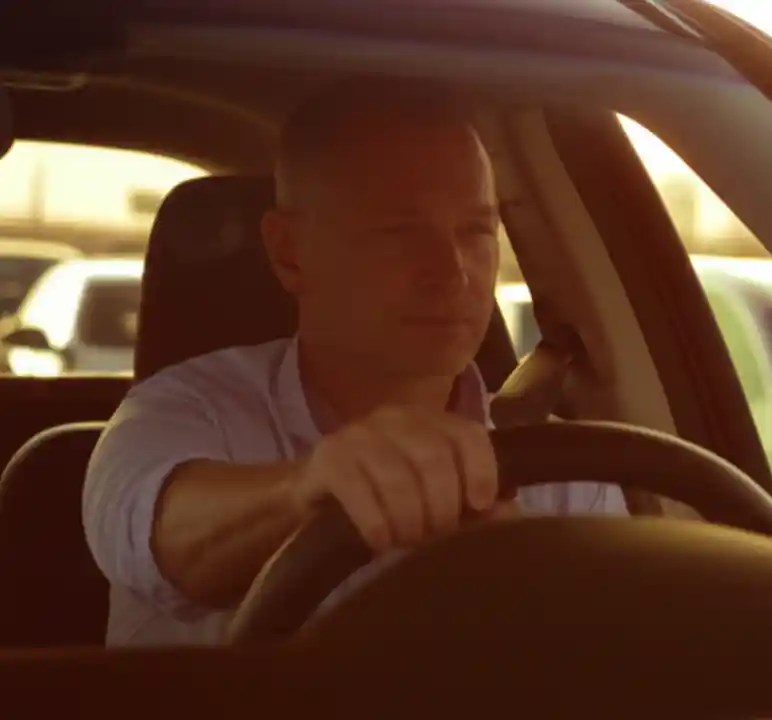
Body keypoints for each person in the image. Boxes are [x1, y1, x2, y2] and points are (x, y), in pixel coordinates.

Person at [82, 84, 626, 646]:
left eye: (476, 231)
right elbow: (156, 534)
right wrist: (305, 492)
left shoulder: (567, 476)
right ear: (290, 252)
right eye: (400, 232)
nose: (453, 272)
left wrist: (536, 594)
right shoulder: (177, 413)